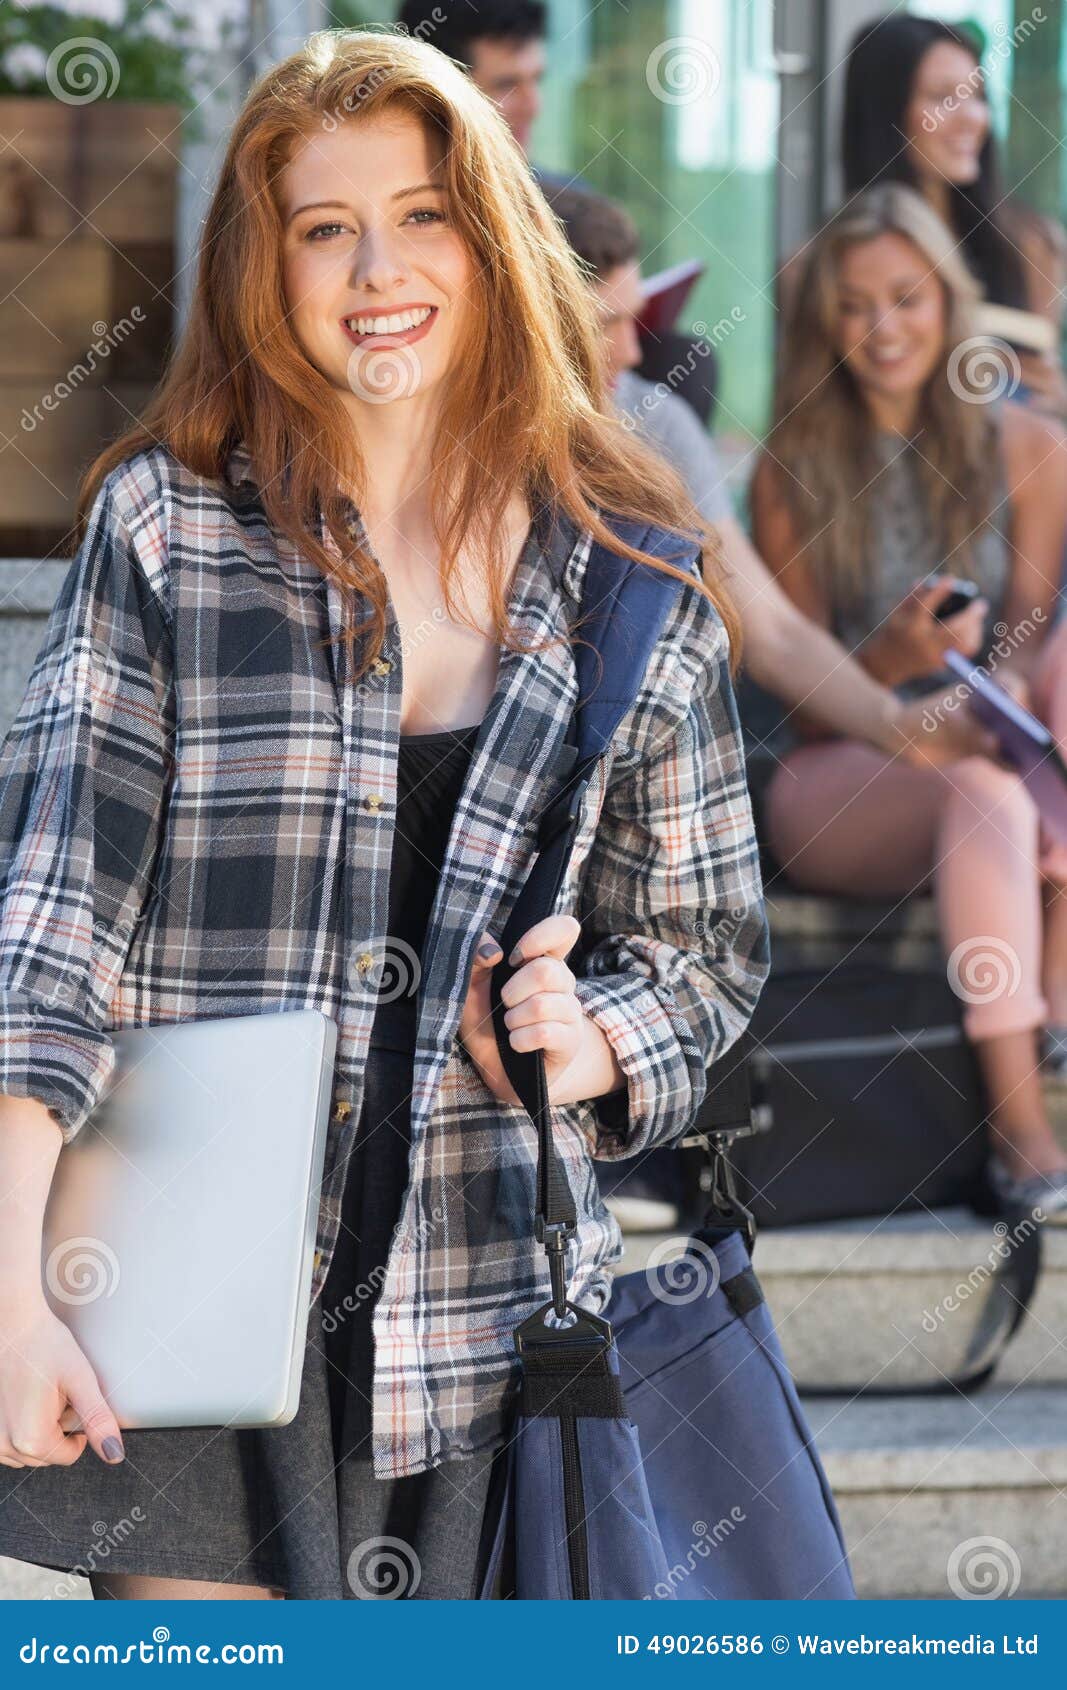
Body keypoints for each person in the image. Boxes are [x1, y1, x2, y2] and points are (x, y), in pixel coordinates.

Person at [0, 29, 768, 1599]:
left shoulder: (630, 573)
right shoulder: (165, 531)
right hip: (180, 1302)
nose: (375, 268)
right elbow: (46, 936)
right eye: (322, 227)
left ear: (489, 243)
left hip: (488, 1324)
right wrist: (9, 1285)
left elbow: (704, 956)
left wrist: (594, 1030)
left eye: (421, 215)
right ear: (262, 267)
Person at [544, 180, 995, 1232]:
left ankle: (649, 1154)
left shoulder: (648, 421)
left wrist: (904, 729)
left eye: (632, 321)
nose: (629, 351)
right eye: (605, 325)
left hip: (636, 759)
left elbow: (771, 628)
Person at [751, 182, 1067, 1219]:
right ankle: (1024, 1135)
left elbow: (1028, 629)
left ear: (946, 300)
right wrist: (890, 655)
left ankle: (1047, 1009)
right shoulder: (789, 466)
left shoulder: (1024, 446)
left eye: (905, 297)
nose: (881, 327)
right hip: (844, 769)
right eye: (852, 305)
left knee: (997, 780)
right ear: (823, 321)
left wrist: (1002, 673)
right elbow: (800, 695)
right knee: (988, 792)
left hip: (985, 746)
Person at [840, 13, 1067, 417]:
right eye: (944, 97)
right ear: (886, 111)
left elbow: (1045, 397)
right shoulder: (824, 261)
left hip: (1011, 465)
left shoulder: (1030, 246)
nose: (971, 117)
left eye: (976, 96)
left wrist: (1056, 404)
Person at [395, 0, 591, 192]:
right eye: (506, 85)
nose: (533, 107)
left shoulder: (572, 209)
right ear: (431, 95)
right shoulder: (381, 206)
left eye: (537, 79)